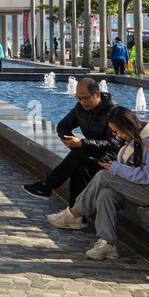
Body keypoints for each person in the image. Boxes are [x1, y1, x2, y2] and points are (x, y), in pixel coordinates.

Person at [46, 107, 149, 260]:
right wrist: (116, 166)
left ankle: (75, 213)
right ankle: (107, 244)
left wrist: (116, 168)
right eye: (114, 132)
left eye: (117, 131)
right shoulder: (132, 138)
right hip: (138, 188)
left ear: (127, 126)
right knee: (106, 195)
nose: (117, 135)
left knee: (104, 176)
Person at [23, 77, 120, 205]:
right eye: (78, 98)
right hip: (89, 154)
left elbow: (114, 144)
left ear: (96, 94)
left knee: (79, 155)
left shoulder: (113, 112)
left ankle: (47, 186)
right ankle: (77, 214)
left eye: (85, 98)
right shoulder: (80, 107)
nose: (82, 102)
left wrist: (82, 144)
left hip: (112, 159)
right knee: (79, 166)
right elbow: (63, 126)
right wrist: (68, 139)